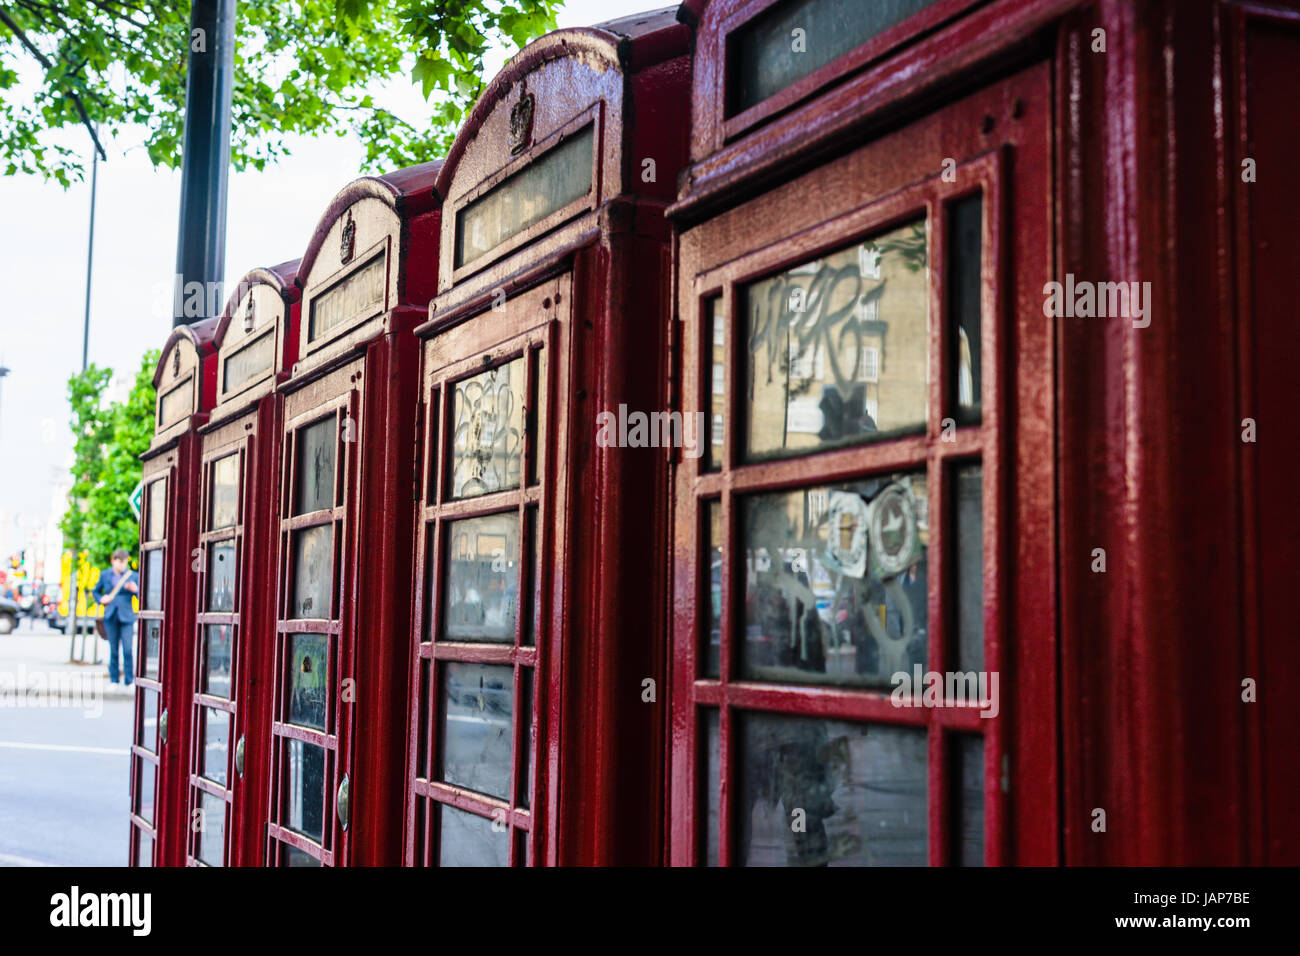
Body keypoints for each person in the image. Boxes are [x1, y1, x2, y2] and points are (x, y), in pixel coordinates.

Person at [92, 548, 139, 685]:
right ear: (113, 561)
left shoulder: (133, 576)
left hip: (127, 616)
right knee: (113, 650)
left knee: (128, 649)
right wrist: (101, 599)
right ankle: (114, 679)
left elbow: (142, 594)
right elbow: (95, 591)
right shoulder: (105, 575)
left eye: (124, 562)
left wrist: (135, 590)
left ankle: (129, 680)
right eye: (119, 562)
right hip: (111, 615)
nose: (122, 565)